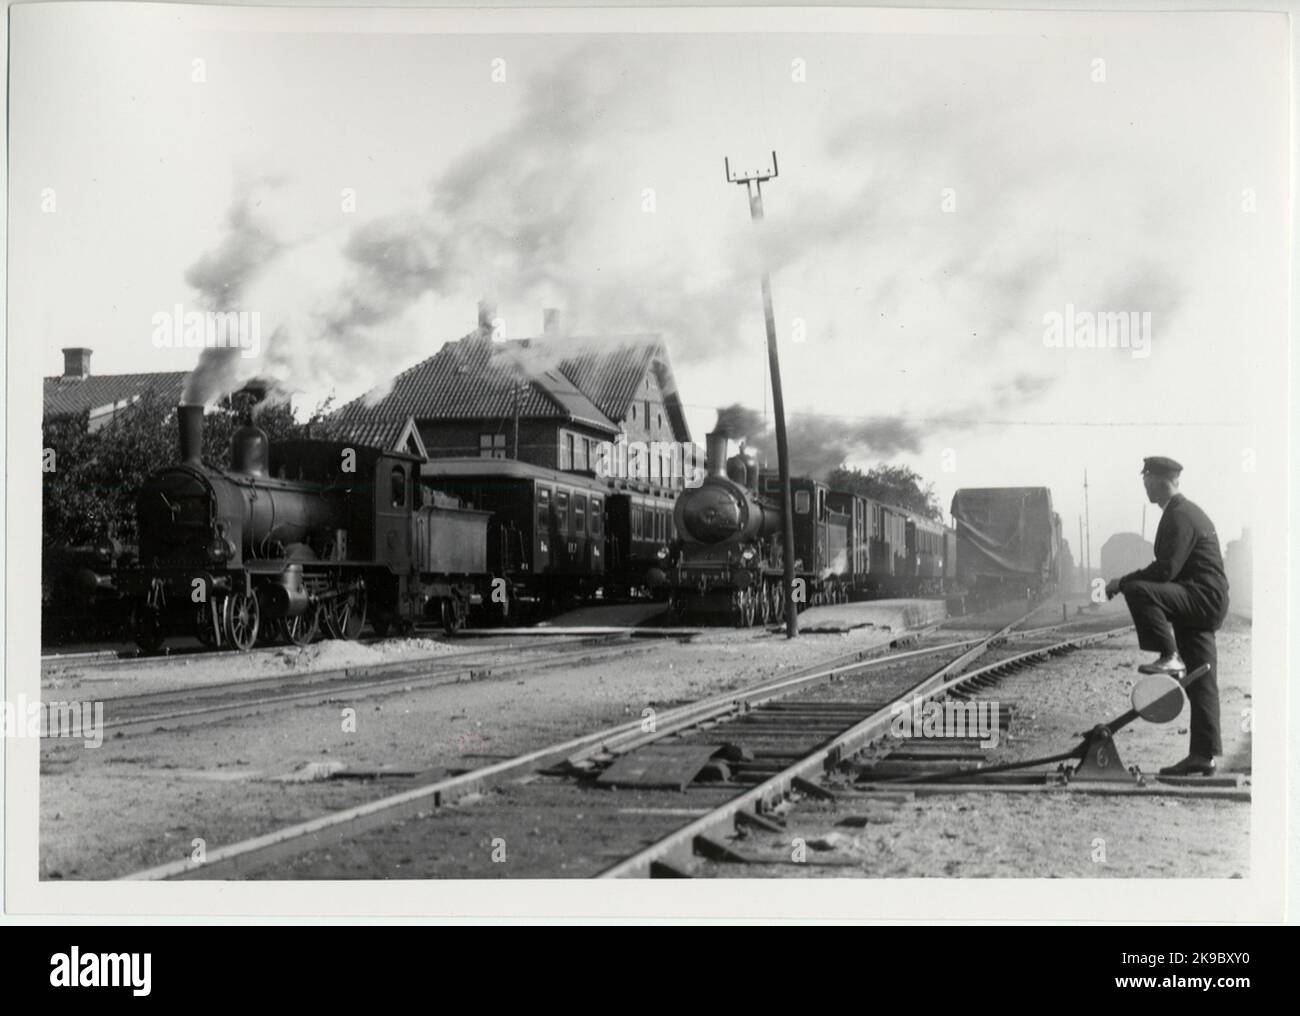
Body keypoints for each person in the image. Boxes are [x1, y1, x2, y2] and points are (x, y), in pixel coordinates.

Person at [1104, 457, 1229, 776]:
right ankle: (1203, 755)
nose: (1144, 485)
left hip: (1200, 598)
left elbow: (1165, 570)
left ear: (1160, 480)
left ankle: (1169, 654)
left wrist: (1123, 582)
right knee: (1202, 677)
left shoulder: (1180, 515)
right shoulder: (1182, 512)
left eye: (1146, 479)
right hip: (1202, 600)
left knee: (1140, 590)